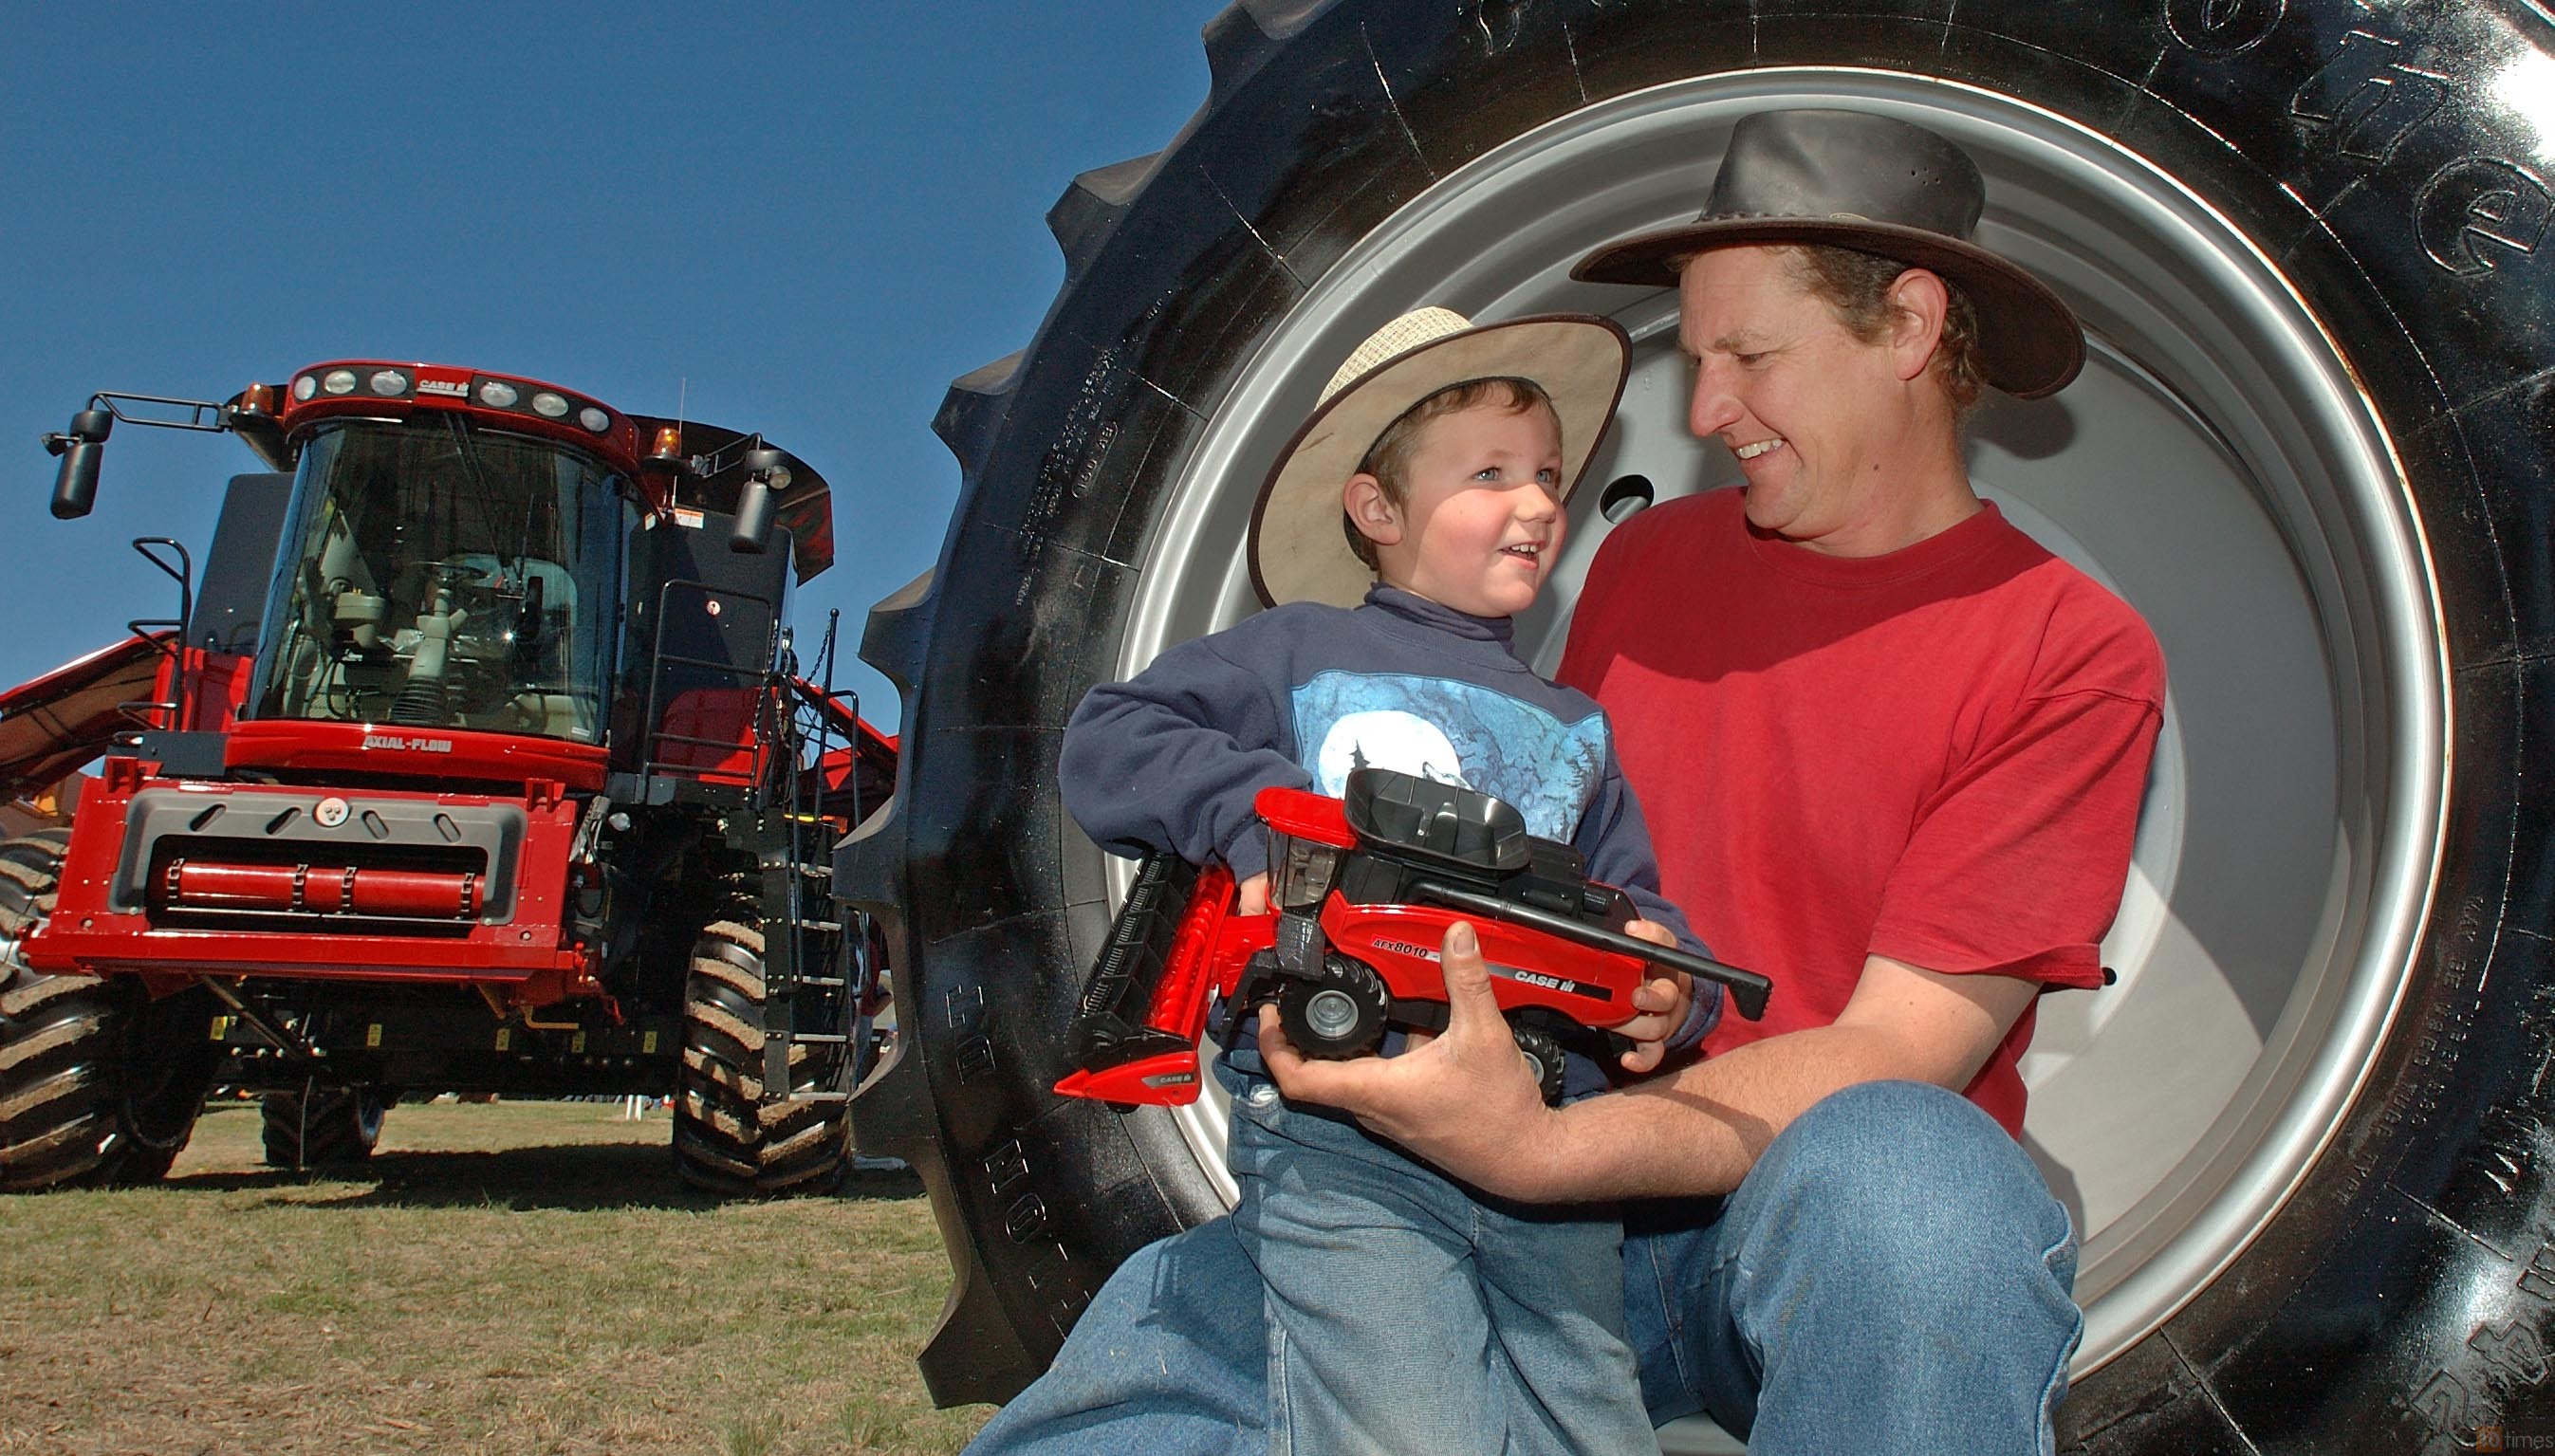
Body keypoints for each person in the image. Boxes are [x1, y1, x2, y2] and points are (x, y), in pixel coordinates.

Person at [970, 107, 2164, 1456]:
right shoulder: (1649, 567)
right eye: (1699, 358)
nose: (1706, 411)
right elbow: (1563, 856)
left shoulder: (2072, 649)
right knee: (1133, 1400)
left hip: (1775, 1218)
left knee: (1922, 1185)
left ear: (1906, 326)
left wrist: (1544, 1139)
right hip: (1496, 1169)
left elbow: (1894, 1049)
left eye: (1748, 356)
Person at [1024, 304, 1718, 1456]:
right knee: (1406, 1426)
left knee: (1589, 1420)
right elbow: (1110, 735)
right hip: (1345, 1129)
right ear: (1378, 508)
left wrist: (1666, 984)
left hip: (1550, 1140)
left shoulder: (1575, 726)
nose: (1540, 501)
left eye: (1546, 474)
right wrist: (1259, 821)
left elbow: (1630, 900)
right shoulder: (1297, 650)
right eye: (1490, 471)